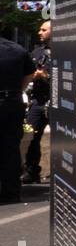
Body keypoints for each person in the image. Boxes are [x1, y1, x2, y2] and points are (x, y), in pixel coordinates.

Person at [0, 34, 36, 203]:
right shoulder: (17, 49)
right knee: (11, 147)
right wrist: (16, 92)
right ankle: (11, 192)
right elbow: (29, 74)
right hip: (12, 103)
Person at [23, 20, 52, 184]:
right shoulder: (36, 52)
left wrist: (45, 76)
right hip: (38, 100)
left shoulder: (64, 51)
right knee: (31, 136)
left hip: (56, 100)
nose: (39, 32)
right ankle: (32, 170)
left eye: (43, 30)